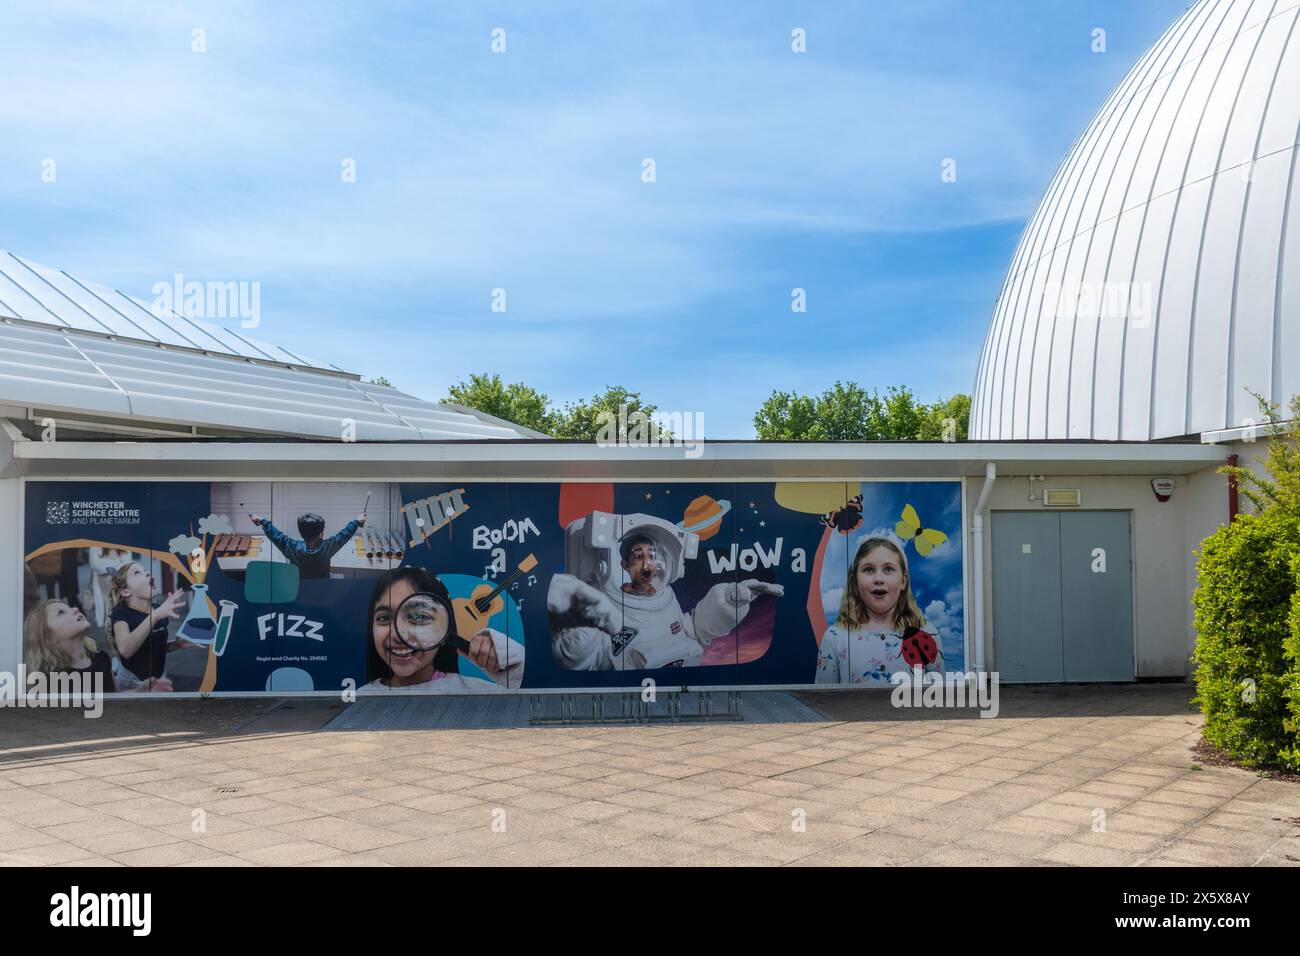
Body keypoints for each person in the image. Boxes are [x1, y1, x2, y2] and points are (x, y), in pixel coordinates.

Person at [549, 513, 784, 670]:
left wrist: (727, 603)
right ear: (623, 565)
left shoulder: (665, 598)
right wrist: (579, 634)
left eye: (652, 556)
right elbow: (593, 659)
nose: (648, 563)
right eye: (639, 556)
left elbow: (691, 631)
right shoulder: (603, 607)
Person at [363, 566, 524, 692]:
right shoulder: (361, 698)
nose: (398, 635)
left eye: (419, 617)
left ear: (444, 627)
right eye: (383, 618)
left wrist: (506, 656)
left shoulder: (474, 692)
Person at [816, 537, 943, 685]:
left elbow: (939, 699)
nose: (878, 578)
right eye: (868, 570)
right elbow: (822, 702)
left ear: (903, 581)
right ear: (854, 581)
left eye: (888, 569)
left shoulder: (927, 633)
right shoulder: (835, 637)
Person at [23, 599, 161, 694]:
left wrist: (141, 689)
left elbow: (114, 696)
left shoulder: (101, 657)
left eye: (68, 607)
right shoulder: (50, 681)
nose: (75, 608)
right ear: (48, 638)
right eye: (61, 612)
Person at [107, 562, 183, 691]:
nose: (148, 573)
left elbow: (152, 648)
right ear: (126, 591)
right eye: (137, 572)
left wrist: (177, 645)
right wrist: (154, 616)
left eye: (146, 570)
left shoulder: (158, 610)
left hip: (158, 677)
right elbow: (125, 650)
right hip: (131, 681)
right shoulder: (121, 613)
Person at [250, 511, 365, 579]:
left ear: (300, 533)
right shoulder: (328, 547)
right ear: (321, 534)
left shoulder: (292, 547)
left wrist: (262, 521)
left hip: (300, 589)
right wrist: (356, 521)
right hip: (322, 589)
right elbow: (344, 534)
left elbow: (276, 535)